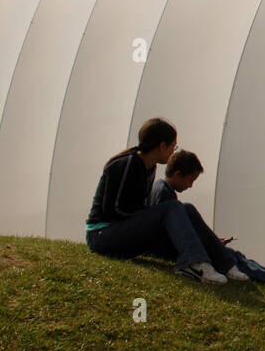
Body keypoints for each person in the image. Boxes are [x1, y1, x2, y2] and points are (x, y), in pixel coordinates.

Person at [84, 118, 231, 284]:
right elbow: (113, 210)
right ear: (162, 146)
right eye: (172, 146)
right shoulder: (126, 164)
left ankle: (223, 262)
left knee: (186, 209)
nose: (172, 151)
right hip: (102, 236)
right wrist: (151, 219)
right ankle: (193, 263)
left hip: (121, 232)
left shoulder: (150, 167)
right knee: (172, 207)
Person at [150, 150, 265, 290]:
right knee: (230, 254)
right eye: (190, 180)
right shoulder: (164, 195)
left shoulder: (161, 189)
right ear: (178, 174)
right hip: (175, 251)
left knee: (230, 252)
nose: (190, 186)